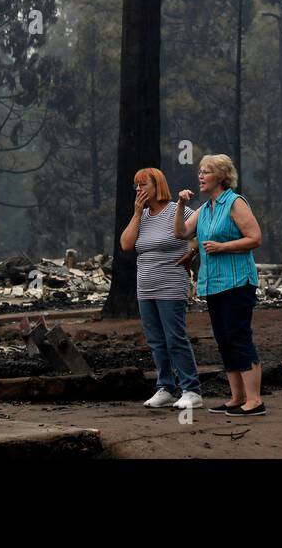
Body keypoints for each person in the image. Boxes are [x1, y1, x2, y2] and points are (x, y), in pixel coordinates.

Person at [175, 154, 266, 416]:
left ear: (222, 176)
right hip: (213, 285)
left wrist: (223, 246)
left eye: (207, 172)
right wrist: (181, 204)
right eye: (200, 172)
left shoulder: (235, 203)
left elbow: (255, 238)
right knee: (224, 340)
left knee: (239, 337)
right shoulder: (205, 208)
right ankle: (236, 397)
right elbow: (180, 233)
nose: (200, 176)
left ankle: (255, 400)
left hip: (238, 282)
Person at [120, 167, 202, 410]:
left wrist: (193, 252)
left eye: (143, 184)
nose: (139, 190)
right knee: (156, 340)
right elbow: (126, 244)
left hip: (171, 283)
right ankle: (165, 387)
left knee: (175, 337)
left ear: (158, 186)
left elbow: (199, 230)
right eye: (136, 185)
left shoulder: (178, 210)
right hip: (145, 286)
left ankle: (191, 389)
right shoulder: (142, 217)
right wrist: (136, 213)